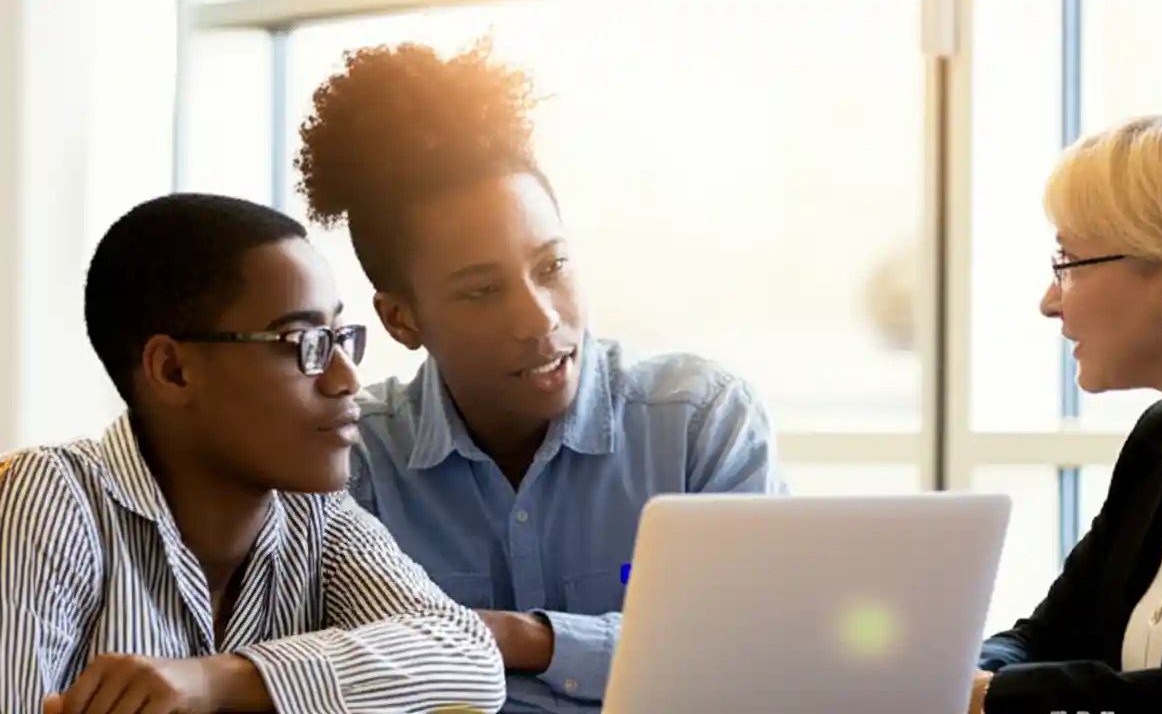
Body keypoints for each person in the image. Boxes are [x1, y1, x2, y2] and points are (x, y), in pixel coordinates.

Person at [294, 40, 785, 712]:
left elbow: (756, 653)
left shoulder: (700, 424)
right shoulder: (358, 467)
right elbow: (348, 677)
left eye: (551, 267)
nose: (540, 319)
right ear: (401, 320)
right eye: (482, 291)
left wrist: (522, 639)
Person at [0, 193, 506, 714]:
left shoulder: (317, 516)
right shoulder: (53, 497)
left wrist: (216, 681)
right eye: (303, 342)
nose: (346, 378)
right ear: (173, 371)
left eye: (339, 338)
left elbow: (468, 658)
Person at [968, 113, 1162, 714]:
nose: (1049, 302)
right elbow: (1048, 634)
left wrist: (996, 695)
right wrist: (964, 671)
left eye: (1067, 263)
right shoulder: (1161, 442)